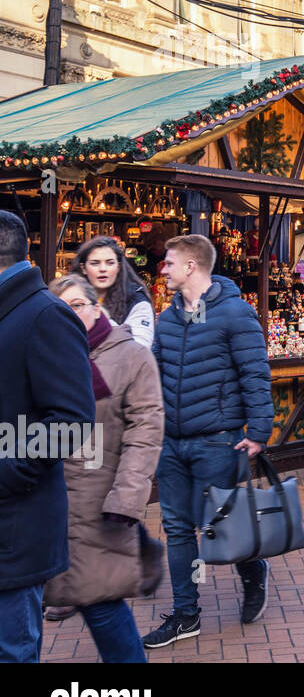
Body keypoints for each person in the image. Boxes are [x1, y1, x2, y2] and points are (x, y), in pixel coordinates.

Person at [144, 234, 273, 649]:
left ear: (191, 267)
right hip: (172, 442)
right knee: (178, 528)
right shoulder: (166, 319)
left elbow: (255, 373)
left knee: (223, 526)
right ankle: (186, 615)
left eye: (168, 263)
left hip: (218, 440)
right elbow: (156, 378)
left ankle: (253, 570)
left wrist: (258, 431)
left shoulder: (236, 314)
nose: (162, 269)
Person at [45, 275, 164, 662]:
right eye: (61, 307)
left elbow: (145, 431)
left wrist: (128, 498)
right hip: (47, 504)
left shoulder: (131, 356)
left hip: (101, 507)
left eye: (78, 304)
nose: (70, 314)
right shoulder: (47, 355)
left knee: (101, 605)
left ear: (98, 309)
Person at [0, 211, 97, 663]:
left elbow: (73, 420)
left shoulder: (45, 314)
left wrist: (7, 469)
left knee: (12, 651)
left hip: (17, 525)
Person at [74, 235, 155, 347]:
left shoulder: (136, 301)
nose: (103, 269)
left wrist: (102, 320)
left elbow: (139, 349)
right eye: (95, 263)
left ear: (119, 266)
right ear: (83, 268)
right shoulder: (73, 297)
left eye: (110, 263)